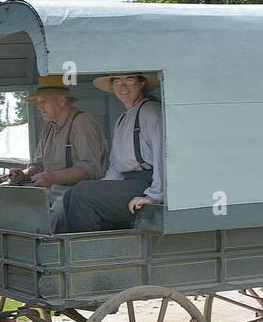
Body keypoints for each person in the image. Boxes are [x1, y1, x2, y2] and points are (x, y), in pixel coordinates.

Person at [60, 72, 164, 232]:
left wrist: (153, 197)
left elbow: (162, 157)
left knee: (82, 194)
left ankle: (89, 253)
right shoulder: (122, 119)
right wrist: (101, 185)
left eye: (129, 80)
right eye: (117, 81)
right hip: (128, 182)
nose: (122, 87)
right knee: (71, 195)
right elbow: (116, 165)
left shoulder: (150, 112)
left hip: (146, 184)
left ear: (141, 83)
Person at [10, 74, 108, 231]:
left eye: (43, 102)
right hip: (52, 191)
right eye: (38, 102)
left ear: (61, 101)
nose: (39, 107)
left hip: (78, 195)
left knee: (55, 215)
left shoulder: (82, 123)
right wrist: (24, 174)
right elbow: (39, 163)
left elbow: (90, 168)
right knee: (12, 200)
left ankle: (50, 250)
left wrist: (53, 178)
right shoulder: (48, 126)